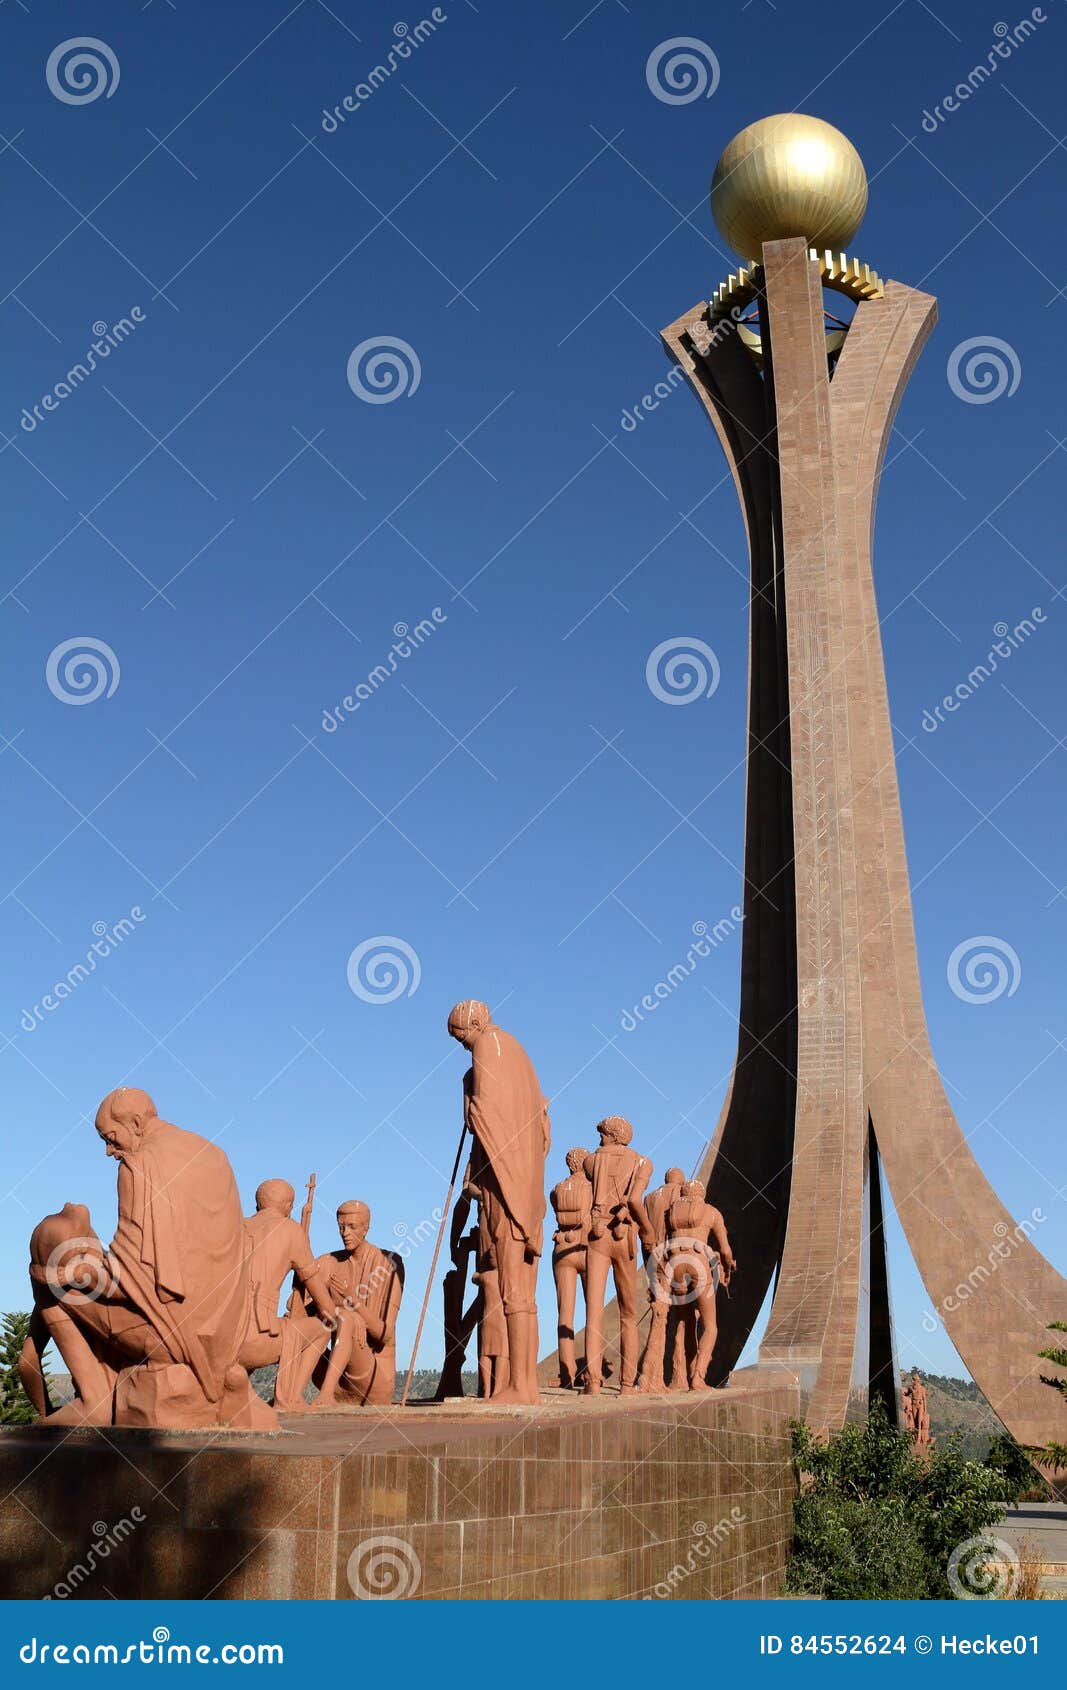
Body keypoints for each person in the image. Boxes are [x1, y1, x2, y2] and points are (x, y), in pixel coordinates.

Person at [21, 1088, 271, 1429]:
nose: (109, 1151)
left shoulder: (138, 1167)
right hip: (224, 1334)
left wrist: (74, 1273)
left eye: (110, 1138)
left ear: (136, 1123)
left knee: (51, 1282)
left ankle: (94, 1400)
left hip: (172, 1335)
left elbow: (128, 1277)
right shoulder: (214, 1155)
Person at [447, 999, 550, 1405]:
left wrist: (469, 1102)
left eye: (461, 1037)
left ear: (474, 1023)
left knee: (514, 1293)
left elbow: (486, 1114)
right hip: (523, 1187)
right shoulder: (519, 1055)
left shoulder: (489, 1045)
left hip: (506, 1191)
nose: (463, 1047)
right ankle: (521, 1384)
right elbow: (543, 1127)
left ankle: (521, 1387)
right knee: (521, 1292)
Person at [288, 1201, 403, 1408]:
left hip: (373, 1377)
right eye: (341, 1226)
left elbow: (384, 1335)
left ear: (366, 1228)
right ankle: (288, 1395)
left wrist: (355, 1306)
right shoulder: (329, 1262)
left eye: (352, 1227)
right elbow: (301, 1312)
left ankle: (326, 1396)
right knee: (294, 1327)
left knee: (346, 1318)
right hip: (336, 1373)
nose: (345, 1233)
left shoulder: (389, 1263)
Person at [239, 1178, 337, 1410]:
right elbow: (316, 1288)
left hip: (223, 1338)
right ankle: (290, 1398)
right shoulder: (290, 1230)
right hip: (256, 1339)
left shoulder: (238, 1226)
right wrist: (334, 1315)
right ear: (288, 1205)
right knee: (322, 1329)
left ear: (258, 1205)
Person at [582, 1116, 652, 1396]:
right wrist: (647, 1230)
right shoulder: (642, 1162)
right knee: (628, 1314)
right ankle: (626, 1385)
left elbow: (590, 1172)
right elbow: (634, 1201)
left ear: (613, 1135)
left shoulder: (591, 1161)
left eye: (603, 1133)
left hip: (598, 1235)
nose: (600, 1138)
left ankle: (593, 1383)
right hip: (624, 1237)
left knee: (593, 1311)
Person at [662, 1179, 735, 1391]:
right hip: (698, 1264)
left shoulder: (671, 1212)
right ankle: (698, 1377)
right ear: (701, 1194)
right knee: (710, 1326)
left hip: (675, 1265)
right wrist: (728, 1268)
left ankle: (684, 1377)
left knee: (686, 1323)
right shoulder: (711, 1212)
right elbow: (726, 1251)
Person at [635, 1167, 687, 1394]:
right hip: (669, 1254)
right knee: (667, 1316)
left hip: (651, 1255)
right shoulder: (678, 1195)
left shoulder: (649, 1197)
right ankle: (652, 1375)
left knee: (660, 1312)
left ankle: (659, 1375)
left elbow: (641, 1226)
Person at [549, 1148, 593, 1388]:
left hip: (562, 1248)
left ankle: (567, 1373)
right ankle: (591, 1372)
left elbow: (551, 1200)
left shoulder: (557, 1189)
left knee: (564, 1314)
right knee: (592, 1311)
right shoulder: (591, 1188)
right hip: (585, 1248)